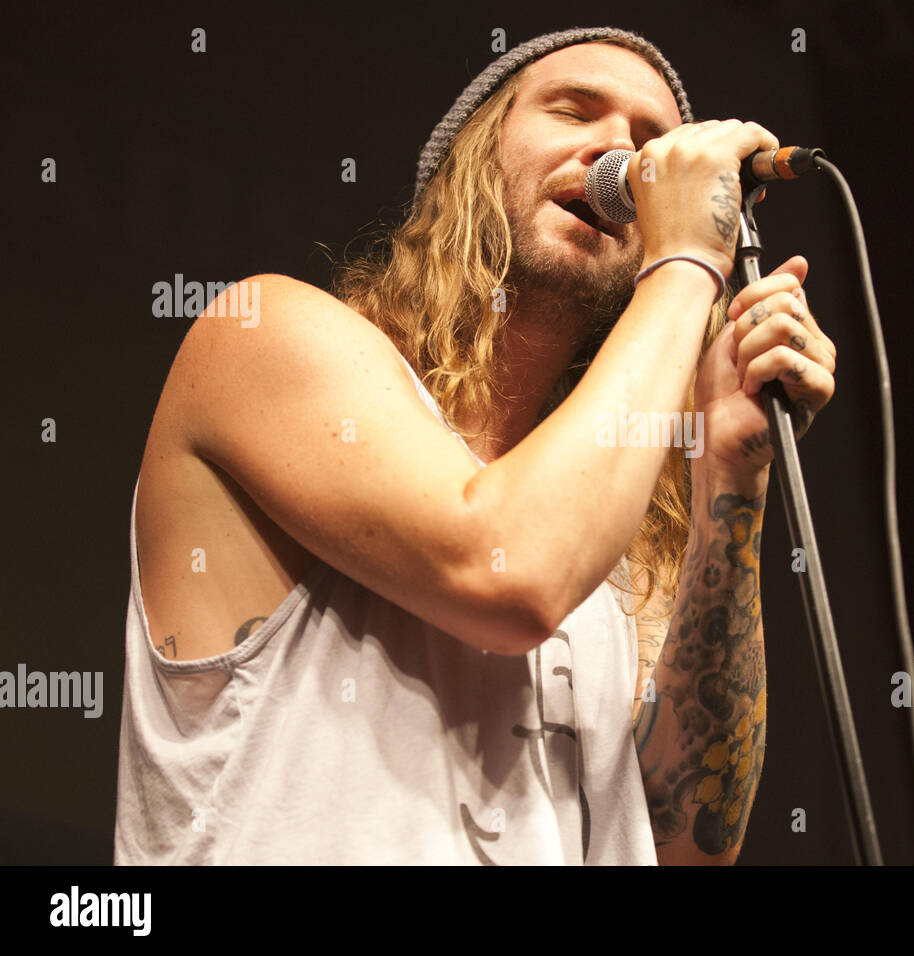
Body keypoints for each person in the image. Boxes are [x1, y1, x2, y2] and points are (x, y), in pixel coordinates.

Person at [114, 26, 837, 865]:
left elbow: (686, 846)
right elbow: (507, 571)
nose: (622, 156)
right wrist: (684, 261)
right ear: (470, 160)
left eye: (651, 144)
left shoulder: (610, 537)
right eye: (574, 111)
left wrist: (728, 475)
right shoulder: (265, 334)